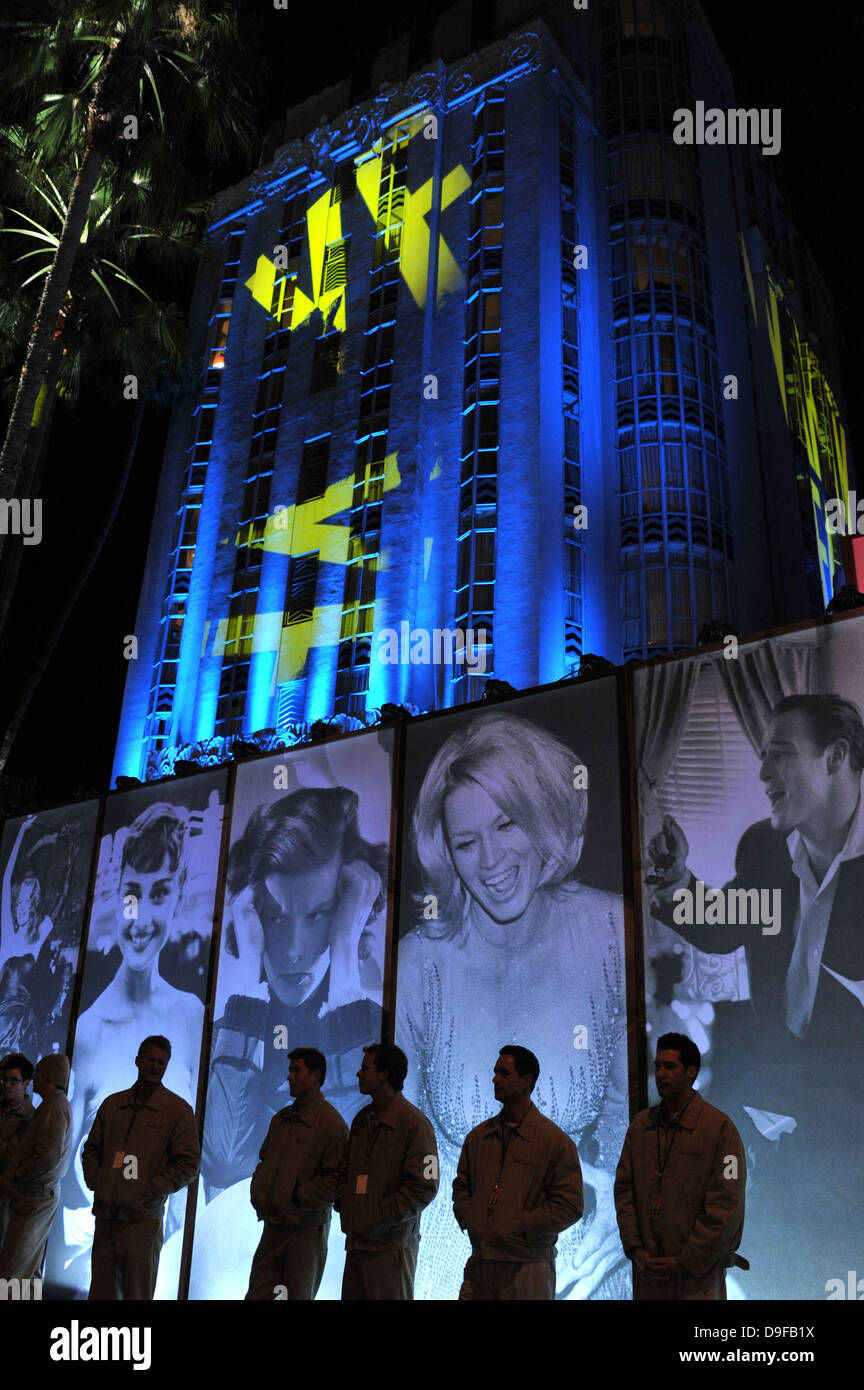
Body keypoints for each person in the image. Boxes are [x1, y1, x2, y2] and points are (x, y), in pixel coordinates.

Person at [396, 710, 628, 1299]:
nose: (492, 862)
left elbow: (637, 1119)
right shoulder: (418, 964)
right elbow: (395, 1141)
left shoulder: (611, 932)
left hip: (586, 1248)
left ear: (544, 818)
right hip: (450, 1250)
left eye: (508, 826)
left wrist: (622, 1207)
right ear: (446, 852)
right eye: (467, 842)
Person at [645, 694, 864, 1294]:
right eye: (762, 756)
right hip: (793, 1104)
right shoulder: (770, 851)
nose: (763, 773)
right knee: (777, 1267)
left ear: (837, 757)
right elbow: (723, 923)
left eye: (781, 755)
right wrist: (674, 883)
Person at [614, 1033, 746, 1301]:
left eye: (669, 1066)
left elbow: (726, 1207)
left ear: (691, 1073)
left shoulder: (719, 1129)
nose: (660, 1074)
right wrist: (635, 1249)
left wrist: (687, 1260)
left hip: (698, 1278)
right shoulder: (641, 1127)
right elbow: (624, 1192)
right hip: (649, 1273)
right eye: (657, 1066)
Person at [453, 1046, 584, 1300]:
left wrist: (519, 1227)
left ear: (527, 1081)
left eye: (504, 1073)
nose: (495, 1079)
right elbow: (461, 1185)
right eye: (495, 1072)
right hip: (481, 1262)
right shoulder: (479, 1138)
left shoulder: (554, 1142)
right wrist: (469, 1216)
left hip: (527, 1267)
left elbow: (570, 1205)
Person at [81, 1035, 200, 1300]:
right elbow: (91, 1149)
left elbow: (189, 1163)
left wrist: (152, 1188)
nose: (156, 1066)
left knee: (137, 1294)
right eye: (151, 1060)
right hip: (106, 1219)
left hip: (142, 1222)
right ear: (138, 1060)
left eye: (162, 1062)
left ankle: (134, 1343)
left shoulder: (177, 1111)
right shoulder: (113, 1105)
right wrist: (98, 1180)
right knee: (100, 1293)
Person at [245, 1046, 349, 1300]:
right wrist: (260, 1192)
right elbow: (264, 1161)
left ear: (316, 1076)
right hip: (272, 1228)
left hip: (305, 1235)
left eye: (296, 1071)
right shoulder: (281, 1119)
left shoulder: (332, 1125)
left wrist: (297, 1195)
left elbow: (338, 1180)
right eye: (289, 1071)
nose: (289, 1077)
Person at [339, 1043, 438, 1300]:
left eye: (365, 1068)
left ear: (384, 1074)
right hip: (358, 1245)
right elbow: (346, 1172)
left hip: (390, 1249)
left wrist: (376, 1216)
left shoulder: (415, 1124)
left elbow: (424, 1187)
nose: (358, 1074)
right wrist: (348, 1209)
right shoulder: (362, 1120)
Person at [0, 1053, 73, 1281]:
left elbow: (46, 1158)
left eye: (38, 1073)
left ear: (49, 1077)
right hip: (34, 1197)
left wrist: (17, 1177)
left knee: (13, 1271)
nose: (34, 1078)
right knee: (26, 1270)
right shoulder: (53, 1106)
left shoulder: (54, 1109)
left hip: (33, 1197)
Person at [0, 1053, 35, 1247]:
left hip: (6, 1194)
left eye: (14, 1080)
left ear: (26, 1083)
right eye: (5, 1079)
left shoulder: (30, 1117)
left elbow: (12, 1157)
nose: (7, 1085)